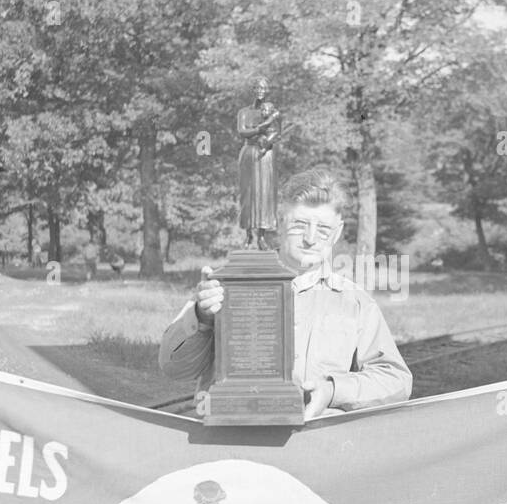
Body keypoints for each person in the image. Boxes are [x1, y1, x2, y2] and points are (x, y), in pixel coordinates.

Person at [158, 168, 412, 419]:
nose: (311, 239)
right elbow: (173, 368)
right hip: (230, 436)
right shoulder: (227, 285)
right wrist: (202, 318)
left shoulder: (354, 302)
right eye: (299, 225)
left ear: (337, 233)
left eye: (323, 229)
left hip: (314, 441)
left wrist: (333, 390)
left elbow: (396, 380)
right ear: (279, 223)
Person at [236, 77, 282, 249]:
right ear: (252, 89)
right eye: (257, 87)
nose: (260, 90)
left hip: (265, 155)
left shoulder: (272, 111)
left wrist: (268, 139)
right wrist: (259, 129)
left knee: (265, 193)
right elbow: (242, 132)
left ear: (267, 90)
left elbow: (278, 132)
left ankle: (261, 237)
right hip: (249, 153)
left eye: (263, 87)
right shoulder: (244, 112)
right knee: (247, 193)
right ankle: (248, 235)